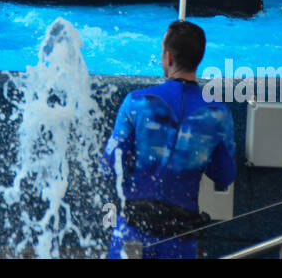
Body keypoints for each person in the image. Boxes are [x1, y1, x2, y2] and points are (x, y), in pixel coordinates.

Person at [100, 19, 235, 259]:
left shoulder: (137, 102)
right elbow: (224, 175)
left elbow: (109, 163)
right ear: (198, 58)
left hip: (132, 234)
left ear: (169, 58)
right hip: (180, 241)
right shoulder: (218, 114)